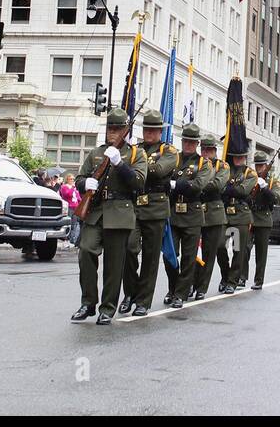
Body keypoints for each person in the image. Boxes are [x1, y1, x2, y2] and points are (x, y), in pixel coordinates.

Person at [71, 108, 146, 325]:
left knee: (114, 265)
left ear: (125, 131)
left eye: (117, 129)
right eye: (110, 128)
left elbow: (138, 183)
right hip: (95, 212)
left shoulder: (135, 154)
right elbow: (79, 178)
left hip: (120, 212)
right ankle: (88, 302)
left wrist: (119, 164)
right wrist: (85, 183)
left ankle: (107, 307)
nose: (112, 133)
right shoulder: (96, 153)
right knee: (86, 251)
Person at [119, 109, 176, 317]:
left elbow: (159, 170)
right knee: (129, 249)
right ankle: (130, 293)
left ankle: (143, 300)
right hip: (135, 205)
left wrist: (137, 168)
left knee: (151, 257)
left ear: (160, 131)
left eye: (154, 130)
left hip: (156, 206)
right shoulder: (136, 148)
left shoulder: (169, 151)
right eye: (147, 129)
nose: (150, 133)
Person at [162, 124, 211, 308]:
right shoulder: (173, 159)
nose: (188, 144)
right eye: (186, 141)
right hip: (173, 211)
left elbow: (199, 184)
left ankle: (180, 294)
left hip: (192, 213)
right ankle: (173, 287)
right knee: (170, 255)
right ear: (182, 141)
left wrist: (175, 184)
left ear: (197, 143)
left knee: (189, 258)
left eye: (192, 142)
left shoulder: (203, 163)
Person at [193, 134, 229, 299]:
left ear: (215, 151)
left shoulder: (222, 166)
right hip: (195, 211)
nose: (206, 153)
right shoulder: (197, 163)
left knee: (209, 252)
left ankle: (202, 287)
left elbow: (217, 185)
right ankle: (190, 284)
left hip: (214, 213)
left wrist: (195, 185)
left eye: (209, 150)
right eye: (204, 149)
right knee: (192, 251)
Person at [218, 145, 254, 293]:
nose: (238, 159)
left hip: (240, 216)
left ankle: (232, 281)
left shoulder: (250, 173)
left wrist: (226, 189)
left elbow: (242, 190)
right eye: (235, 156)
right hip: (226, 214)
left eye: (241, 156)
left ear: (245, 157)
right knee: (219, 246)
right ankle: (225, 276)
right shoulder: (227, 169)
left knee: (238, 249)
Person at [249, 151, 280, 289]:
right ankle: (241, 278)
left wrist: (265, 187)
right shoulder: (250, 178)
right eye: (257, 165)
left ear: (266, 166)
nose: (259, 168)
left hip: (263, 219)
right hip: (250, 217)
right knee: (243, 248)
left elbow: (275, 198)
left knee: (261, 253)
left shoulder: (273, 182)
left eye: (261, 165)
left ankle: (258, 280)